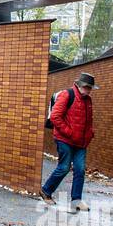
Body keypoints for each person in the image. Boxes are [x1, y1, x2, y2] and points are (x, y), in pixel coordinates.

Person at [41, 72, 96, 212]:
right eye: (87, 87)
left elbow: (88, 122)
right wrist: (70, 133)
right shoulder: (67, 94)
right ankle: (46, 191)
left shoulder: (88, 100)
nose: (89, 90)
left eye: (90, 88)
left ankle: (76, 201)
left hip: (81, 143)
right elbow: (55, 117)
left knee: (80, 170)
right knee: (64, 167)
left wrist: (90, 134)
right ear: (80, 85)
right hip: (65, 139)